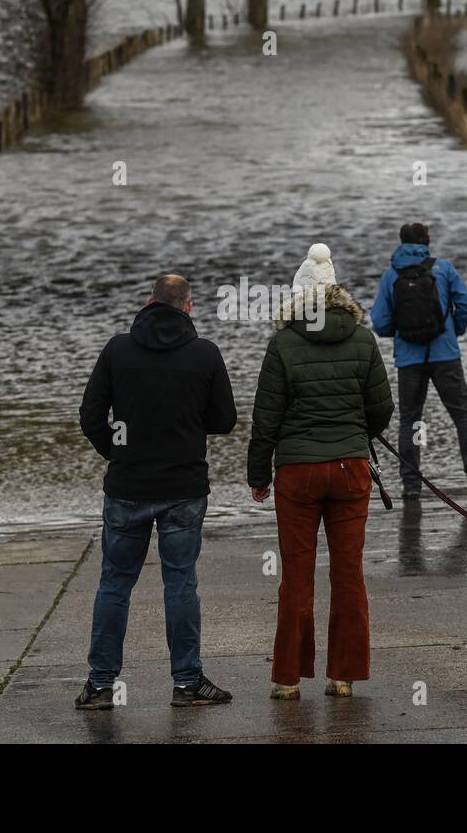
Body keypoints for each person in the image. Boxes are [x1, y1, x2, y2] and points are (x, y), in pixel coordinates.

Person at [76, 274, 237, 710]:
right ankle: (187, 683)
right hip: (183, 487)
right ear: (189, 307)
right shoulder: (204, 354)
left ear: (148, 302)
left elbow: (90, 415)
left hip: (127, 485)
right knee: (180, 583)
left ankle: (100, 685)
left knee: (114, 584)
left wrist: (117, 450)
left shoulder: (117, 349)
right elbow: (225, 420)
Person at [248, 244, 394, 700]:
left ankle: (289, 679)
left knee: (297, 573)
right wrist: (354, 431)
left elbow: (265, 418)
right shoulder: (364, 339)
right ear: (336, 292)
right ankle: (343, 676)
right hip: (351, 470)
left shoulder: (284, 344)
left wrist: (258, 475)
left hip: (298, 473)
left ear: (298, 297)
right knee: (348, 573)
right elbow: (382, 411)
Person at [369, 223, 467, 500]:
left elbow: (379, 322)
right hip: (446, 355)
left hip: (408, 360)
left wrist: (402, 333)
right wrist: (454, 329)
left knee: (410, 421)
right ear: (427, 243)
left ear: (401, 242)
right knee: (462, 414)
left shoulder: (390, 276)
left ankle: (411, 487)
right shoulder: (444, 269)